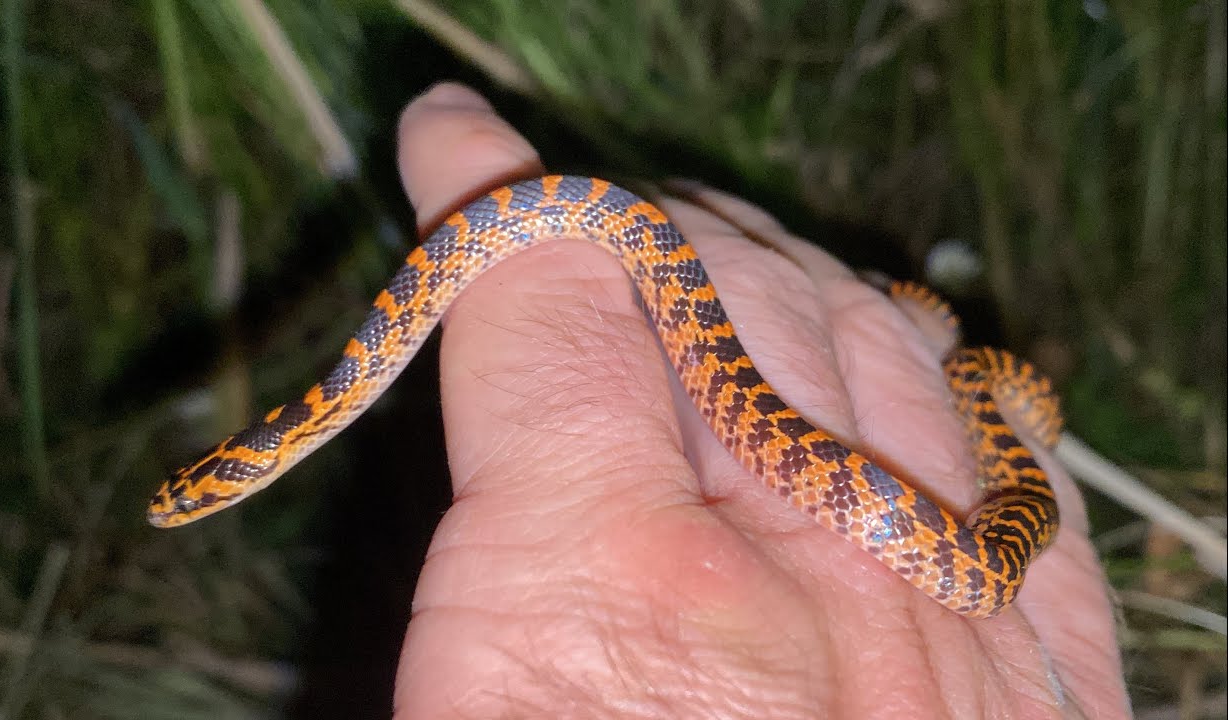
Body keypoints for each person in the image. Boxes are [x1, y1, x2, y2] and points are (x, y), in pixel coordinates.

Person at [390, 82, 1129, 718]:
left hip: (992, 536)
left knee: (967, 396)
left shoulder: (987, 560)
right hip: (996, 529)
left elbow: (991, 572)